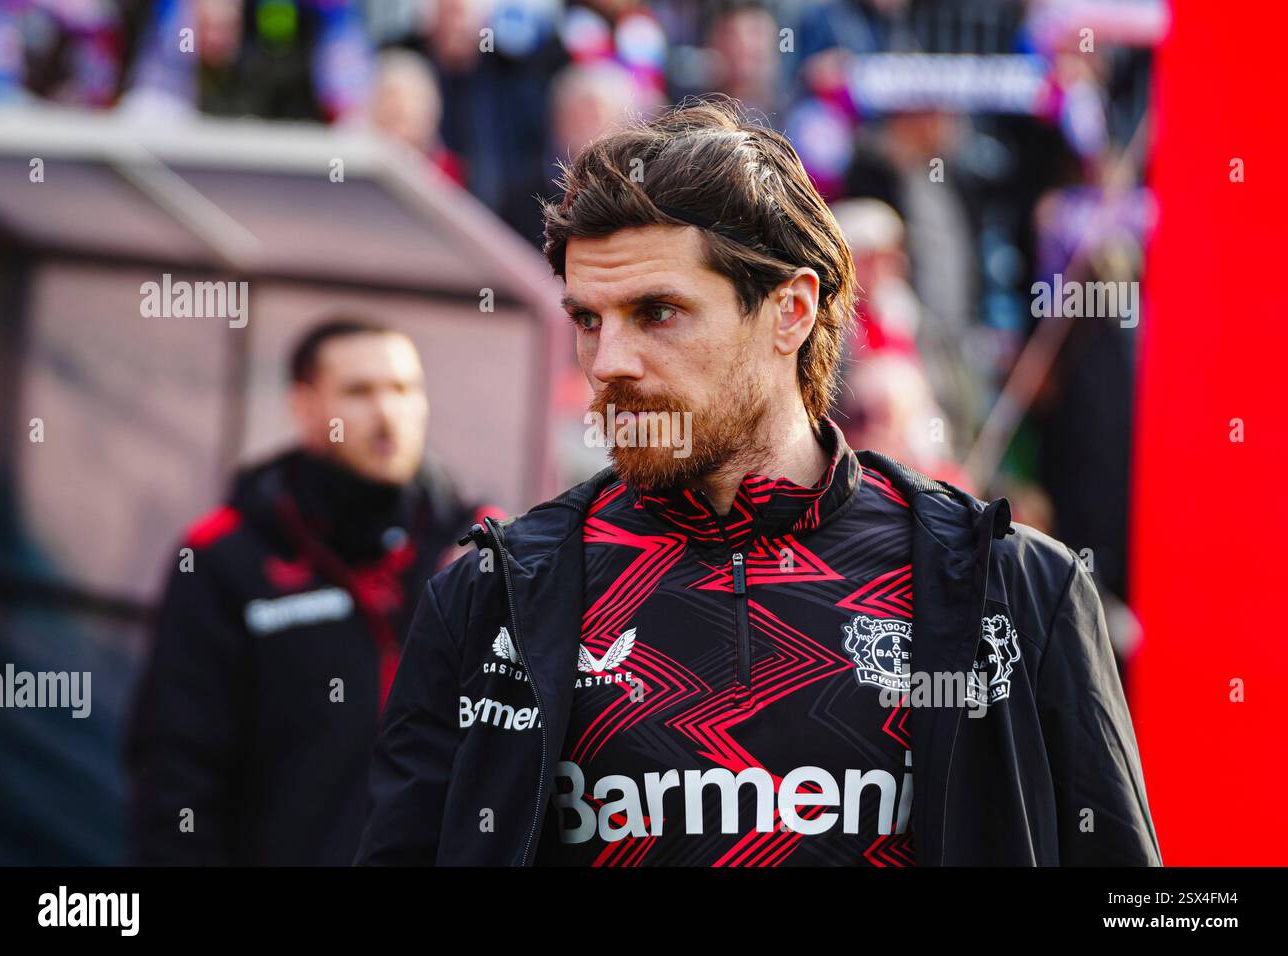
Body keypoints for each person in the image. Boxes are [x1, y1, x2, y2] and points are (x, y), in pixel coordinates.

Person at [355, 99, 1160, 866]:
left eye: (658, 312)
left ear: (791, 311)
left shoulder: (1011, 587)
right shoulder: (490, 598)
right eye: (587, 320)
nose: (609, 365)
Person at [125, 317, 496, 865]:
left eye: (403, 389)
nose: (388, 412)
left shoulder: (482, 550)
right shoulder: (222, 556)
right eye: (359, 391)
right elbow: (176, 768)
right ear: (304, 407)